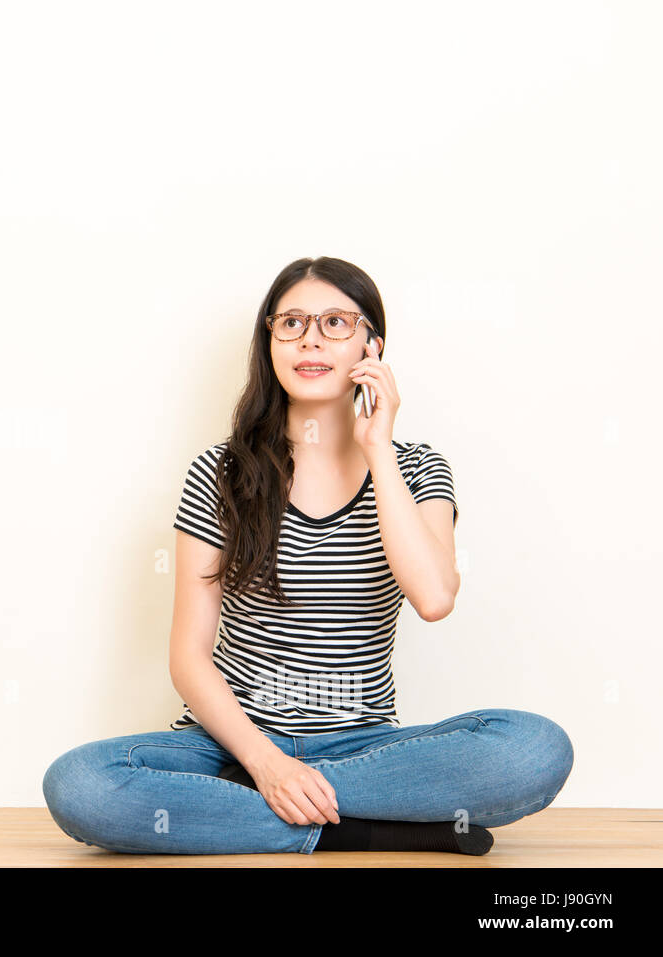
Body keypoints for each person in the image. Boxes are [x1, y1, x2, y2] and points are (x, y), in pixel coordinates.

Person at [41, 256, 573, 855]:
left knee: (535, 748)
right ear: (269, 341)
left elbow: (434, 596)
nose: (311, 338)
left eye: (336, 323)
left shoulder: (417, 469)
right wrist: (266, 763)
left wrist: (377, 447)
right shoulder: (219, 474)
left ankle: (283, 809)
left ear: (372, 344)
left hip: (364, 748)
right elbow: (189, 658)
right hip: (231, 745)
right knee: (81, 785)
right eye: (290, 323)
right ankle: (364, 828)